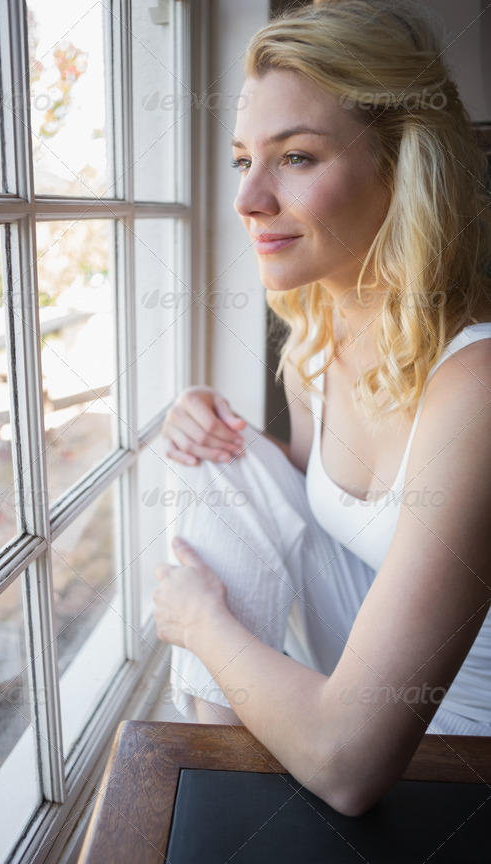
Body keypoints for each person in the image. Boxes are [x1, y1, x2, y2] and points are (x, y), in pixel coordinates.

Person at [152, 0, 491, 816]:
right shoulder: (315, 344)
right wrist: (201, 422)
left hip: (455, 761)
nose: (248, 199)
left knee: (312, 739)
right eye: (242, 160)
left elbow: (351, 768)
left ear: (401, 163)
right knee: (214, 458)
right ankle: (223, 772)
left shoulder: (475, 387)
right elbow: (308, 515)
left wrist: (200, 623)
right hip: (365, 685)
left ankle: (225, 792)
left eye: (295, 157)